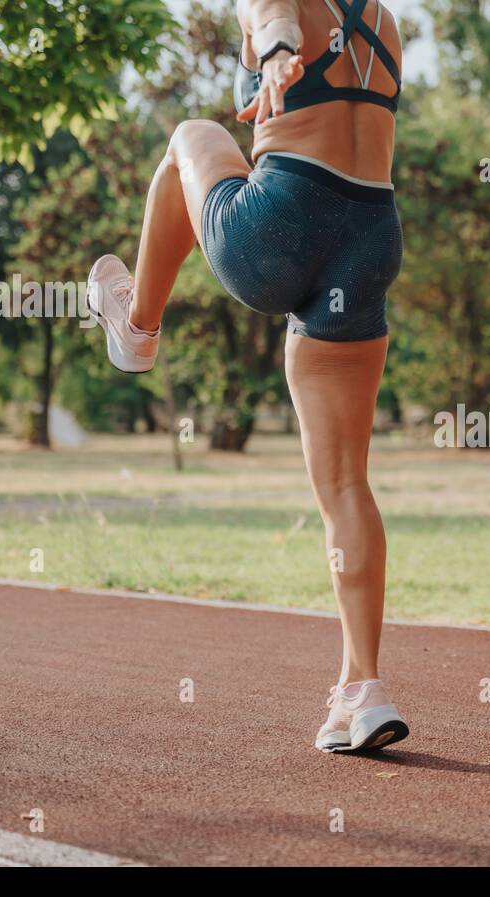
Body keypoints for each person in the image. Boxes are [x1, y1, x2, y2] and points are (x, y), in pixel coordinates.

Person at [85, 0, 409, 750]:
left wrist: (274, 54)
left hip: (281, 220)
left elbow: (272, 21)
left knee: (192, 138)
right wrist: (277, 53)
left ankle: (138, 324)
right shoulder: (386, 20)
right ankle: (363, 689)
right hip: (368, 235)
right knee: (347, 487)